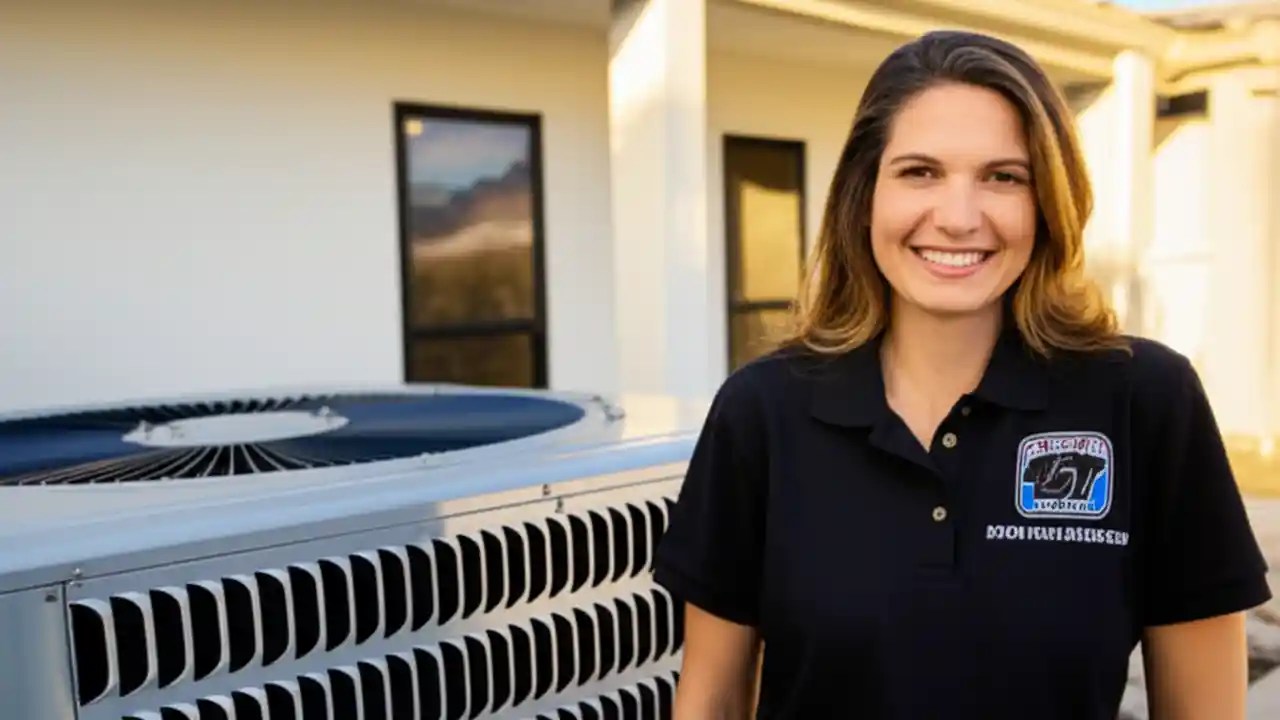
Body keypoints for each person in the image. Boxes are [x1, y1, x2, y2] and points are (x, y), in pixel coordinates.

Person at [651, 29, 1271, 720]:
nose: (957, 218)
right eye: (920, 171)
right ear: (864, 195)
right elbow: (709, 700)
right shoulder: (762, 412)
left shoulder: (1147, 401)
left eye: (1003, 177)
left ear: (1047, 204)